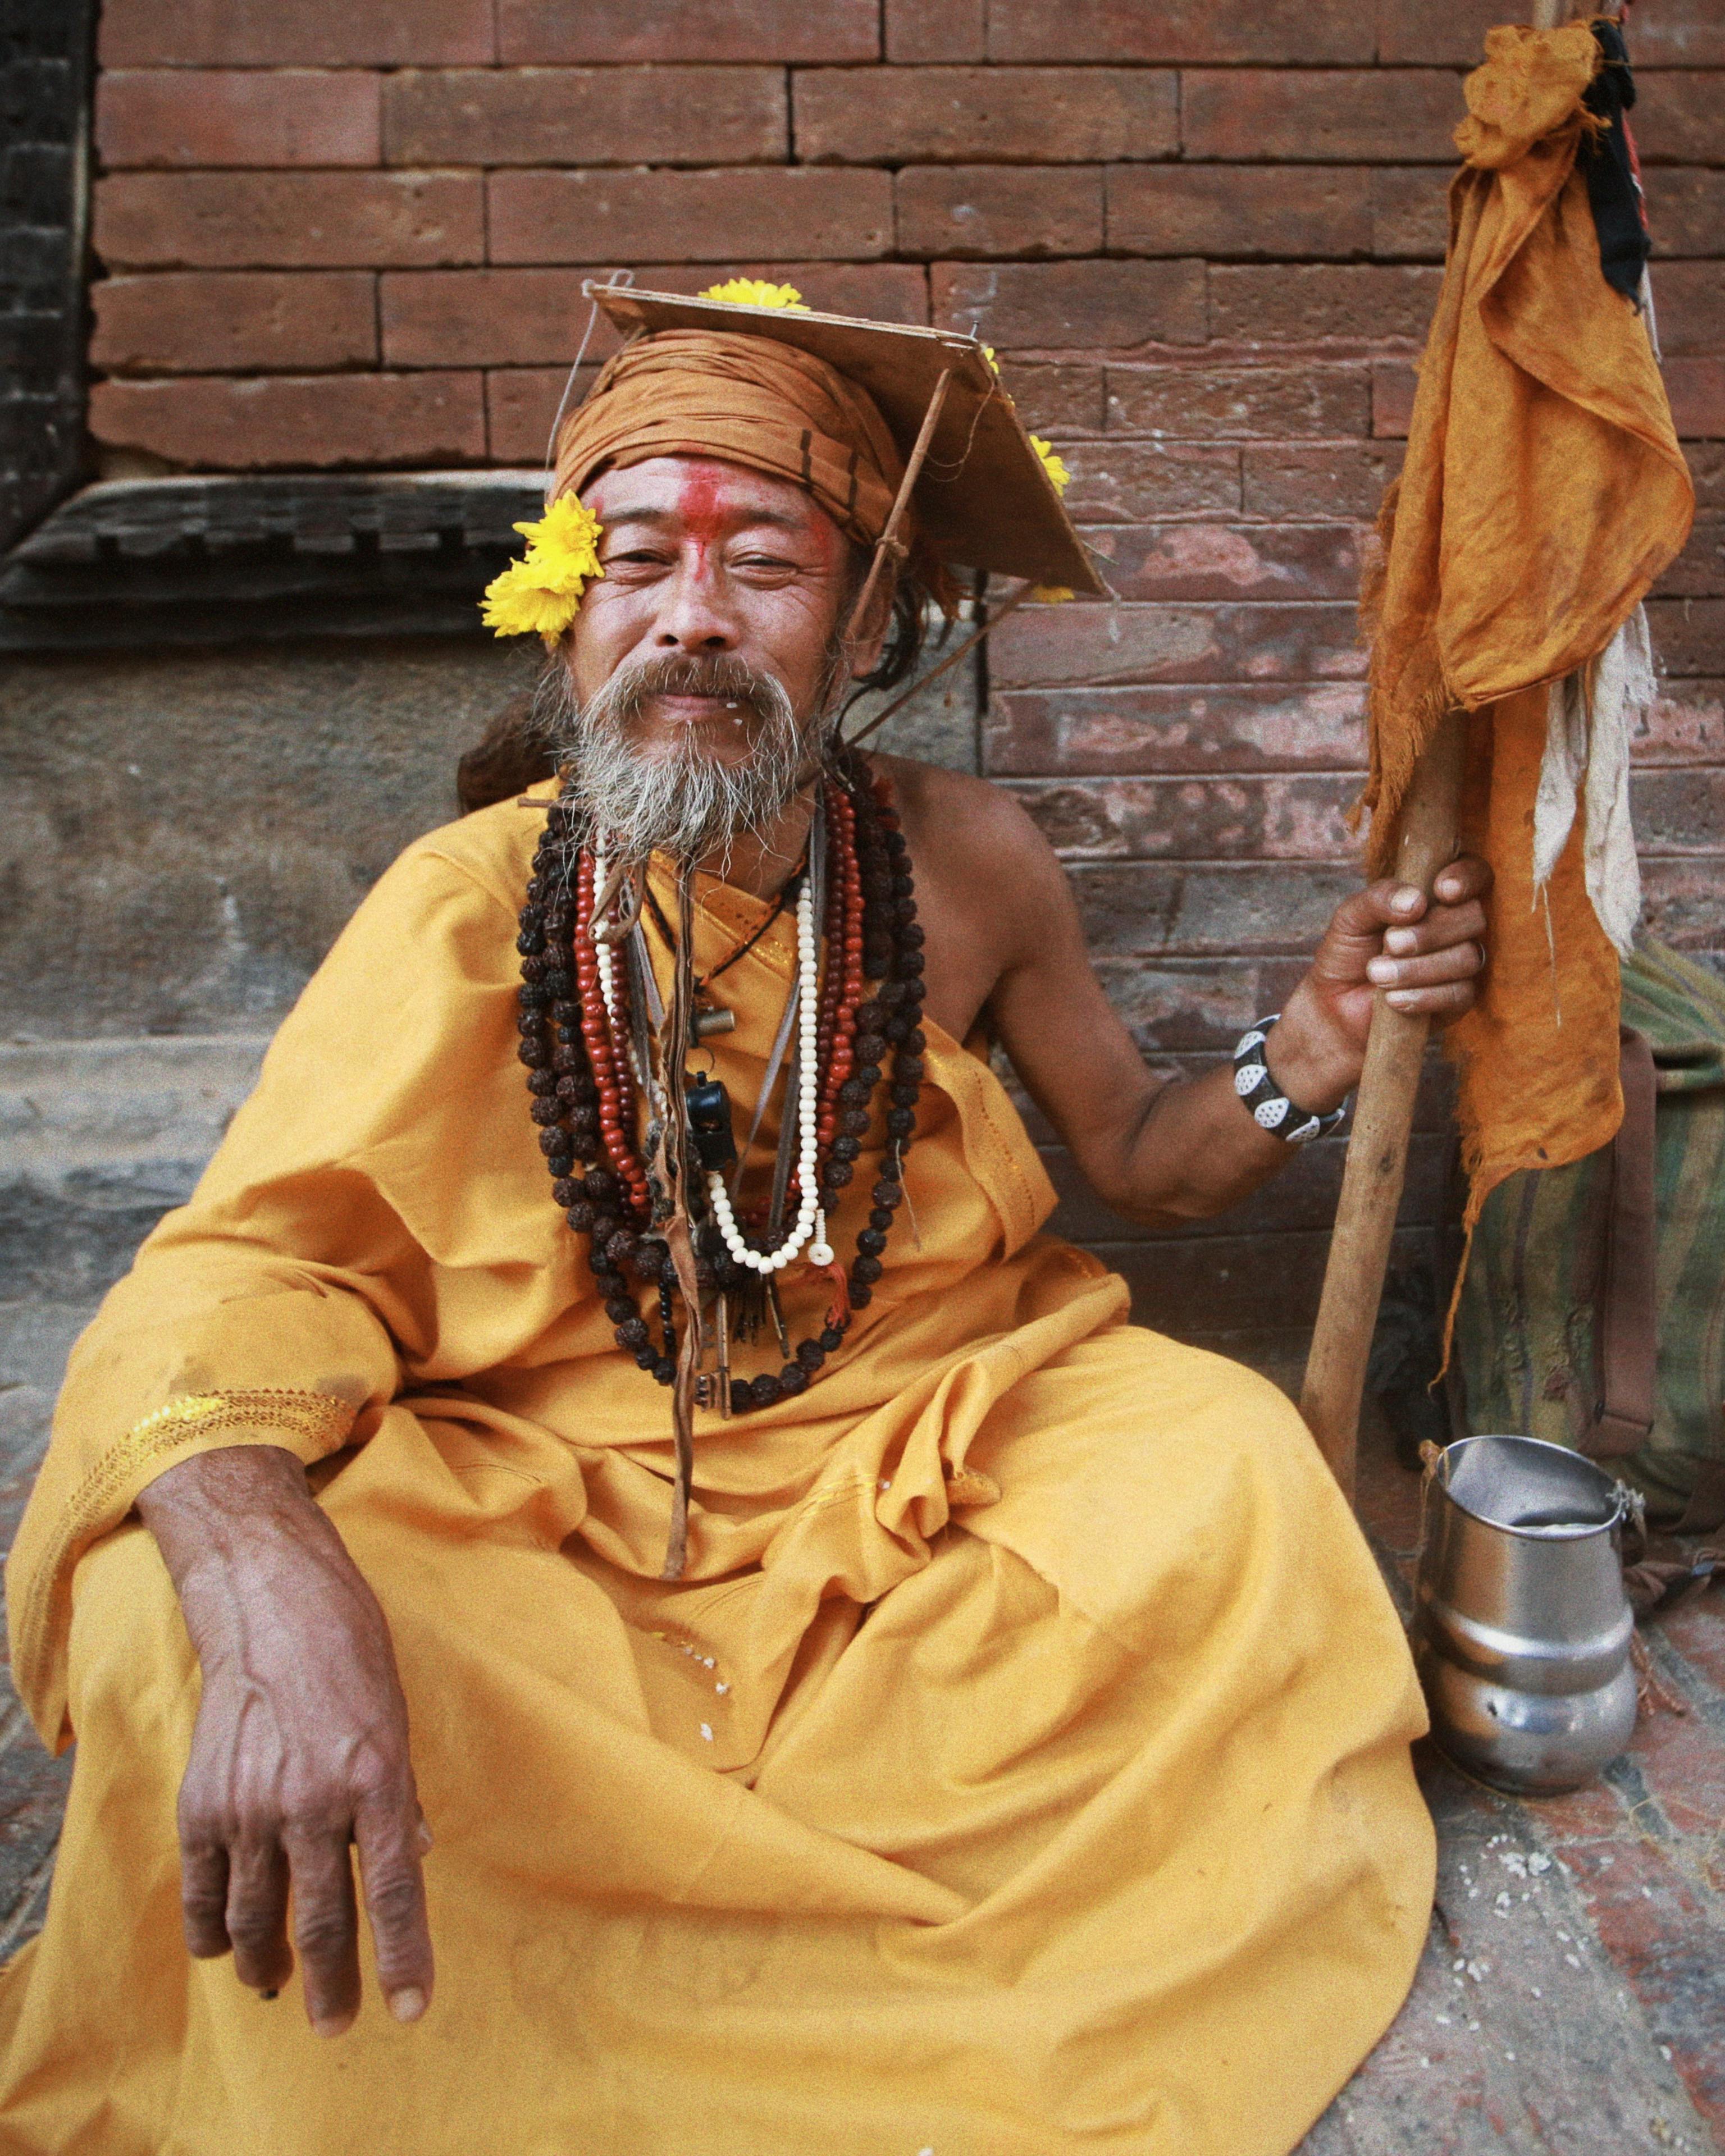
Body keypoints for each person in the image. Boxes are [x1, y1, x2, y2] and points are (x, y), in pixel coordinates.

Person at [0, 287, 1490, 2155]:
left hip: (915, 1449)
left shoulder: (968, 863)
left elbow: (1142, 1155)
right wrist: (262, 1567)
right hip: (539, 1504)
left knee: (1230, 1472)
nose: (693, 613)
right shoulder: (467, 904)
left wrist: (1312, 1045)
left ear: (870, 620)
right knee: (176, 1599)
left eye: (763, 562)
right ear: (572, 608)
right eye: (637, 563)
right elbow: (249, 1270)